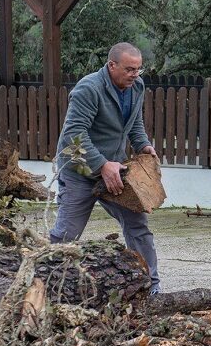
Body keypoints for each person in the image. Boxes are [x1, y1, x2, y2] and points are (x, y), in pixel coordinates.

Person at [50, 42, 162, 294]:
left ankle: (151, 287)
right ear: (112, 65)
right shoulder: (88, 89)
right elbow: (73, 134)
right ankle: (44, 283)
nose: (135, 74)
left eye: (139, 69)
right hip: (78, 167)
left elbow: (134, 123)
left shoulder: (137, 87)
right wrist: (101, 165)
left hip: (115, 170)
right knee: (67, 234)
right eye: (129, 69)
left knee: (138, 226)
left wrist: (142, 144)